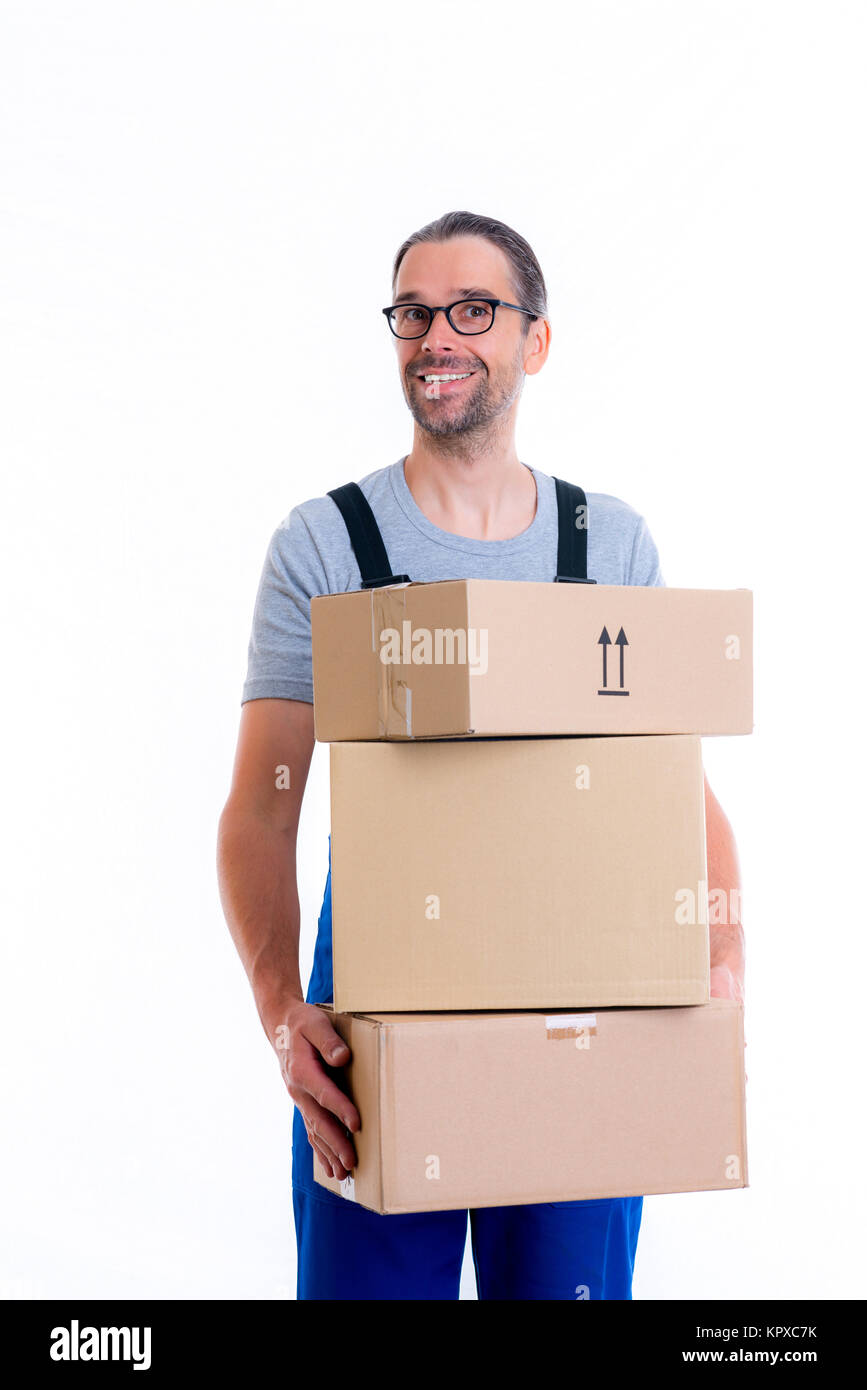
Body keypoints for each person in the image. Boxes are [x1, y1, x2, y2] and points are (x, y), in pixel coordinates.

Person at [217, 210, 745, 1300]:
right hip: (376, 999)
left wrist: (721, 968)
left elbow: (676, 792)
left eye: (472, 309)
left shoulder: (610, 547)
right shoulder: (326, 544)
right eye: (414, 312)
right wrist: (282, 1011)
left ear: (533, 341)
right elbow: (263, 804)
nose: (437, 336)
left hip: (585, 993)